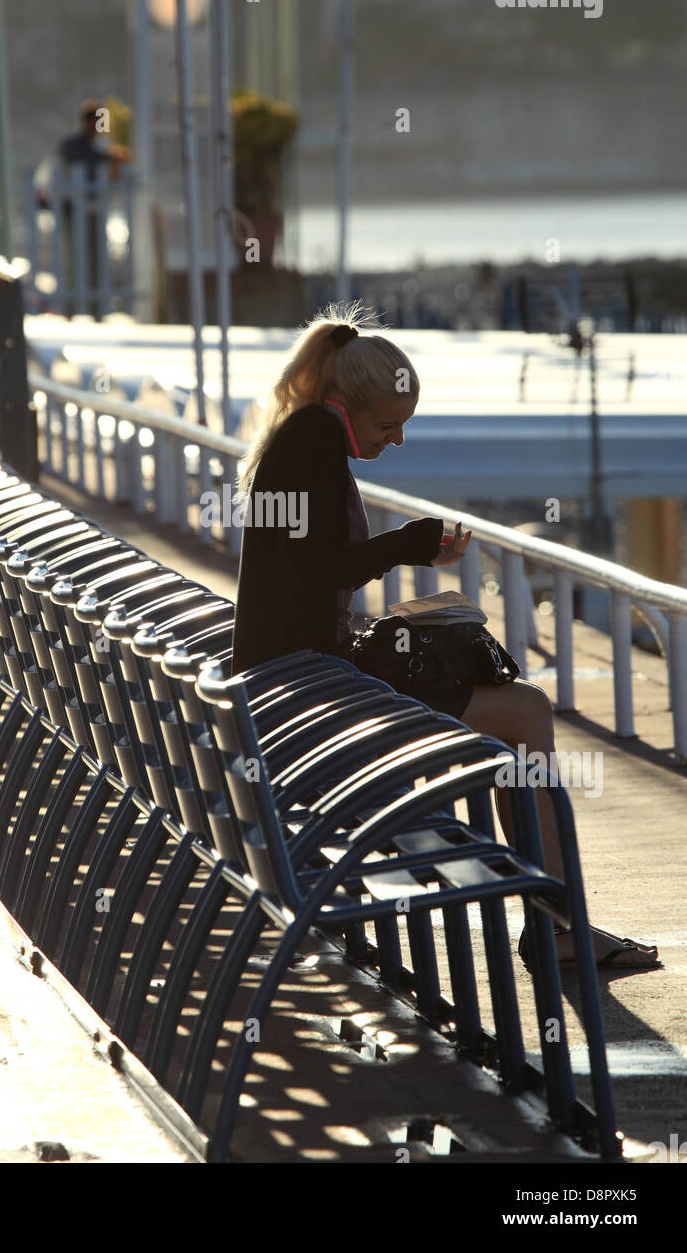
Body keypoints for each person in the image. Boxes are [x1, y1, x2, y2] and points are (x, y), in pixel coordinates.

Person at [232, 301, 658, 971]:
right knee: (527, 713)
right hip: (310, 695)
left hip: (295, 684)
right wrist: (410, 542)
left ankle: (555, 917)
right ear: (345, 402)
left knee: (513, 713)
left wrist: (407, 562)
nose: (395, 441)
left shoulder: (300, 433)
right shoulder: (315, 438)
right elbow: (316, 572)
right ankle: (559, 927)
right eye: (387, 425)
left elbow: (300, 573)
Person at [56, 99, 131, 319]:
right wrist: (109, 156)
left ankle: (97, 309)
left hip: (95, 211)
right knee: (75, 260)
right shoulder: (76, 145)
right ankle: (72, 308)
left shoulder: (103, 146)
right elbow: (75, 155)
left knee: (97, 257)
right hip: (74, 212)